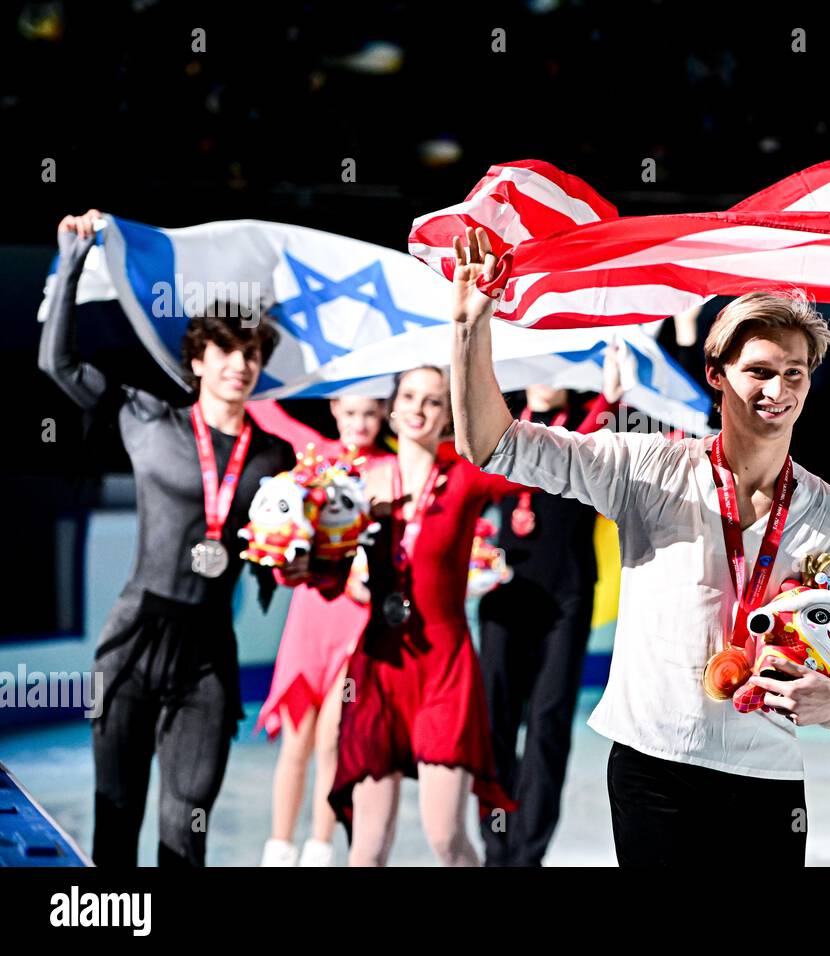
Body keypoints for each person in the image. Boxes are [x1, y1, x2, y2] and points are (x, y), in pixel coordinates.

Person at [448, 227, 830, 866]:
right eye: (757, 371)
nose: (777, 391)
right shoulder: (646, 470)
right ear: (716, 374)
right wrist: (472, 329)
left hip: (767, 776)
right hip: (653, 769)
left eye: (794, 374)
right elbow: (491, 444)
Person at [39, 209, 297, 866]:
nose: (240, 365)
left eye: (252, 353)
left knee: (188, 829)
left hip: (208, 654)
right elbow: (57, 362)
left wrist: (290, 566)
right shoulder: (146, 416)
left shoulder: (274, 457)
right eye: (226, 351)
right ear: (197, 359)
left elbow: (277, 560)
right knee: (116, 823)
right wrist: (71, 259)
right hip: (133, 640)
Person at [328, 366, 522, 866]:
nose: (418, 408)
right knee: (367, 844)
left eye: (434, 401)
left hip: (444, 668)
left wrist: (608, 403)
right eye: (409, 396)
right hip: (378, 668)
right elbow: (324, 579)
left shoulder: (465, 475)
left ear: (449, 413)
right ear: (392, 406)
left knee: (445, 838)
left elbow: (538, 467)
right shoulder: (358, 483)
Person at [478, 365, 624, 867]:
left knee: (547, 723)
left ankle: (527, 855)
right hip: (503, 592)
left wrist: (616, 389)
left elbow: (616, 424)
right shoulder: (499, 421)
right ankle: (496, 845)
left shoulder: (594, 420)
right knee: (496, 718)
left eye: (558, 360)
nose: (546, 372)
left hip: (567, 596)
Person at [246, 397, 393, 867]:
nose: (359, 423)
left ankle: (321, 851)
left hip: (357, 618)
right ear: (334, 409)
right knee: (296, 741)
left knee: (333, 740)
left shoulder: (392, 465)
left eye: (370, 413)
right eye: (350, 413)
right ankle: (278, 849)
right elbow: (268, 413)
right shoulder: (317, 454)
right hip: (310, 618)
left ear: (384, 413)